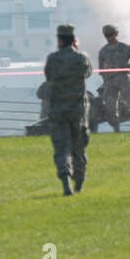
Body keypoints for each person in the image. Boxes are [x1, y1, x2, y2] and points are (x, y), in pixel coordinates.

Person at [44, 24, 92, 196]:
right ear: (73, 39)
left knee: (62, 148)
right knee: (78, 147)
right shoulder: (82, 58)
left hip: (58, 111)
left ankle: (66, 182)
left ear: (59, 39)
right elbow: (88, 73)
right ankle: (79, 181)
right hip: (78, 111)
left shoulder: (53, 59)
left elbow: (49, 77)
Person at [97, 23, 130, 132]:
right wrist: (105, 77)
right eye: (107, 35)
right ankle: (117, 132)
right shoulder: (103, 51)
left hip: (124, 80)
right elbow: (101, 68)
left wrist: (129, 68)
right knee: (110, 110)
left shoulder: (126, 47)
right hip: (110, 82)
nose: (109, 37)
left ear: (116, 34)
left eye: (111, 34)